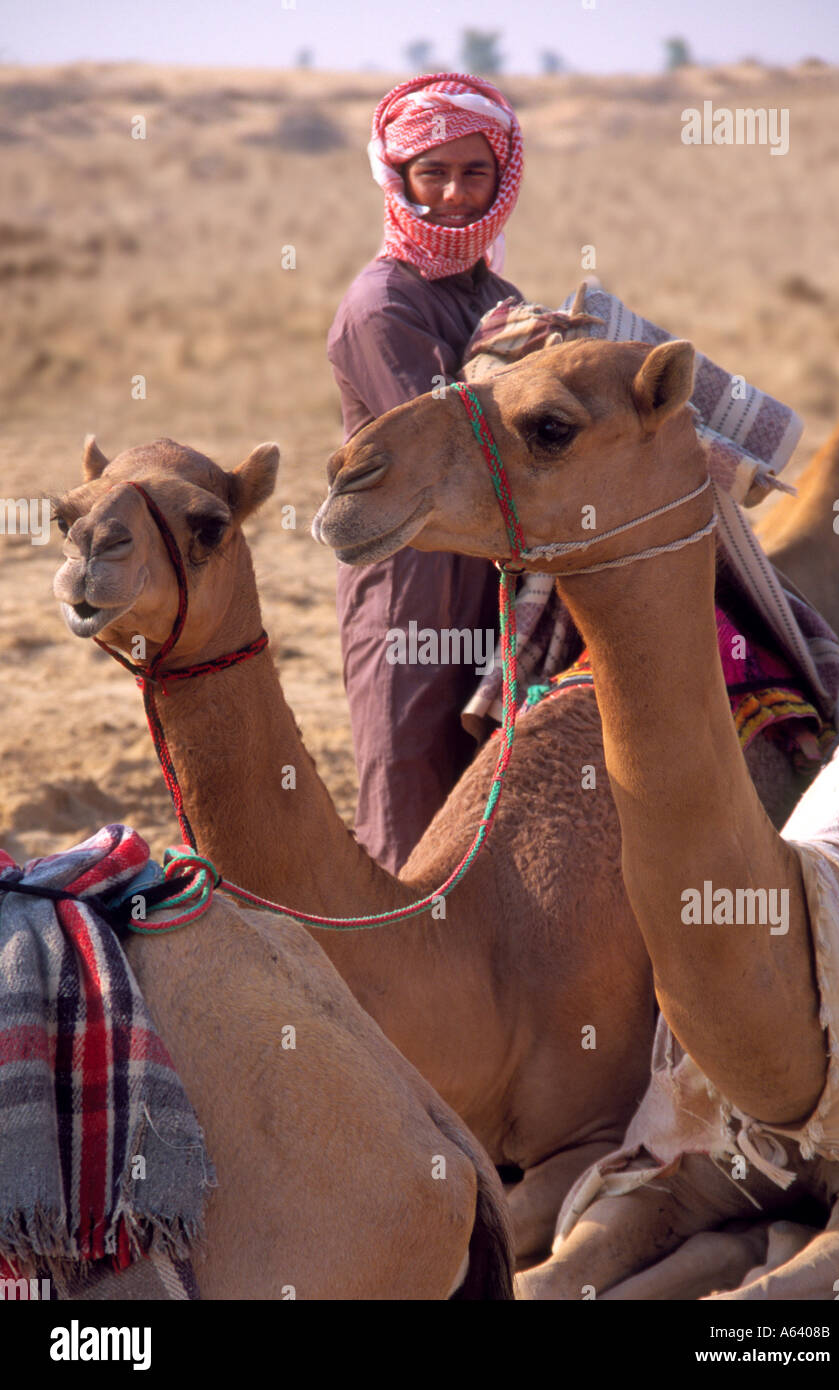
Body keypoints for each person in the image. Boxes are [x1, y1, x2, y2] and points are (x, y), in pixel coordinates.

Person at [326, 72, 525, 872]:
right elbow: (449, 441)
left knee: (483, 776)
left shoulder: (499, 293)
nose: (452, 195)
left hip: (486, 566)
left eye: (474, 173)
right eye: (430, 174)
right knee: (407, 780)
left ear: (502, 180)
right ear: (397, 179)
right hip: (408, 577)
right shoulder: (382, 306)